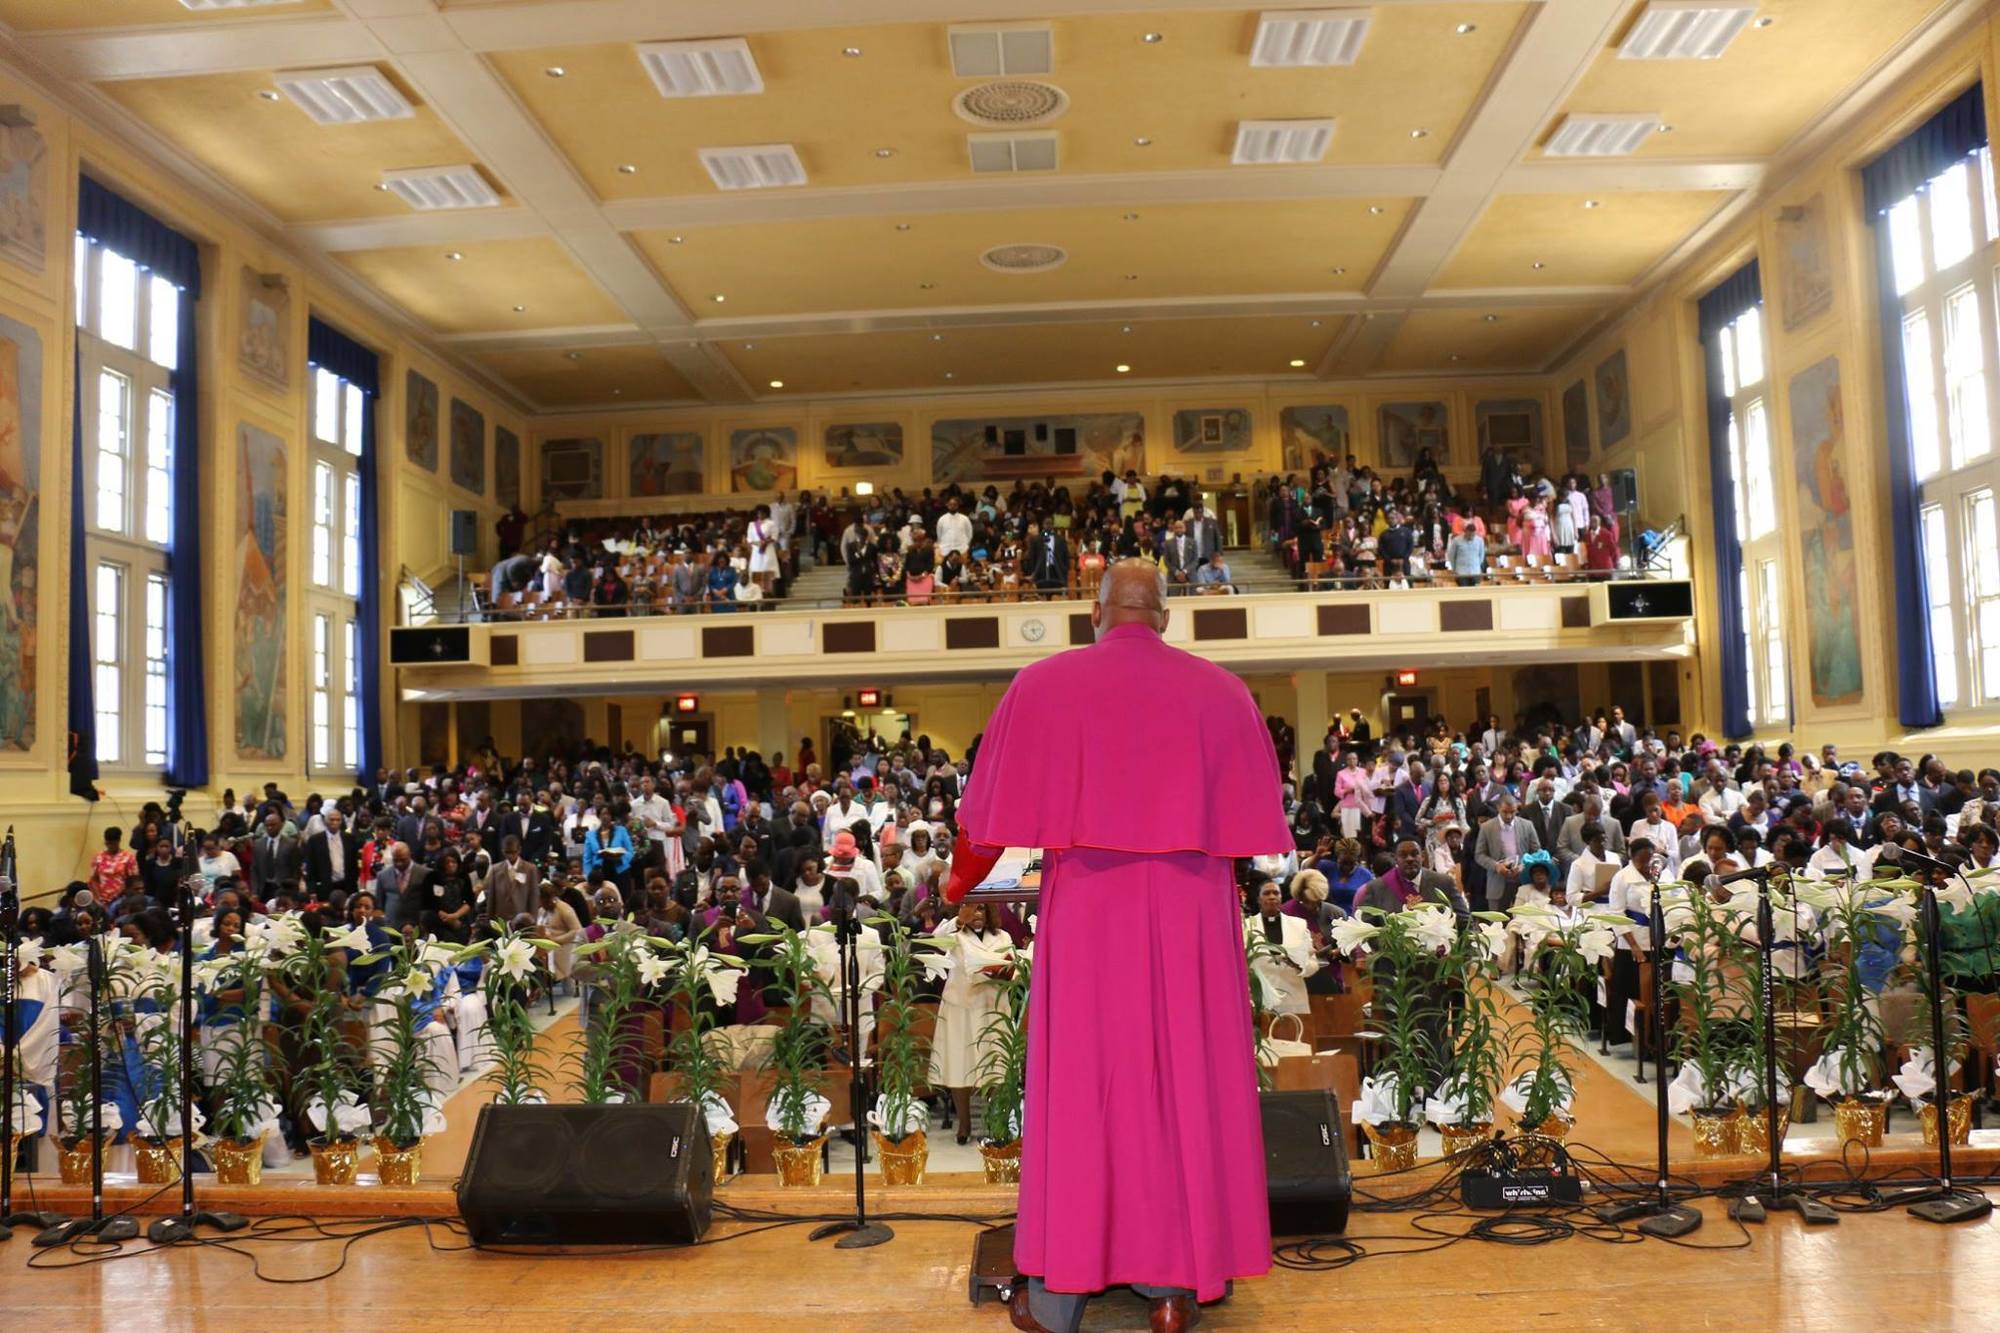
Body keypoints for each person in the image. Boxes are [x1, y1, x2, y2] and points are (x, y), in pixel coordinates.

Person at [946, 559, 1286, 1332]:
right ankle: (1175, 1288)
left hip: (1092, 915)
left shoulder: (1042, 684)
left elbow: (985, 824)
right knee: (1182, 1087)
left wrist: (954, 887)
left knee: (1086, 1090)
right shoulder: (1224, 692)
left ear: (1094, 614)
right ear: (1164, 617)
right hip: (1192, 910)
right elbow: (1258, 823)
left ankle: (1061, 1296)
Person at [930, 900, 1012, 1145]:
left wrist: (1003, 970)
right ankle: (964, 1123)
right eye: (972, 909)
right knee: (960, 1066)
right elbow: (936, 939)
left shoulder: (1002, 936)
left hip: (992, 1006)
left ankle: (995, 1122)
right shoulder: (955, 933)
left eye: (981, 909)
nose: (977, 914)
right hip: (960, 1008)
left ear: (990, 912)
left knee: (995, 1066)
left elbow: (1011, 964)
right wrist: (958, 920)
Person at [1245, 878, 1318, 1016]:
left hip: (1294, 999)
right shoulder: (1247, 926)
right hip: (1260, 999)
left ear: (1281, 897)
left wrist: (1300, 965)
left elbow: (1313, 965)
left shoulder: (1299, 925)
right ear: (1258, 899)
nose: (1272, 897)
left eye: (1276, 893)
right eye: (1266, 893)